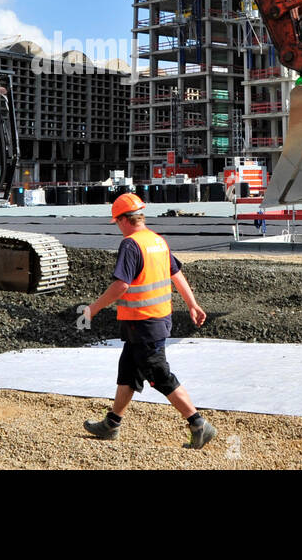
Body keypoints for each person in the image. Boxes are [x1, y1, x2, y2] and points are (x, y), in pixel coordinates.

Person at [81, 192, 216, 449]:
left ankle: (198, 423)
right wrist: (192, 304)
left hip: (145, 323)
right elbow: (176, 274)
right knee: (128, 373)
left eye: (117, 222)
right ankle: (112, 424)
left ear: (123, 220)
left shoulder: (131, 245)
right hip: (152, 320)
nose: (118, 227)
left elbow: (121, 285)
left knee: (158, 374)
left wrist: (94, 308)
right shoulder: (157, 241)